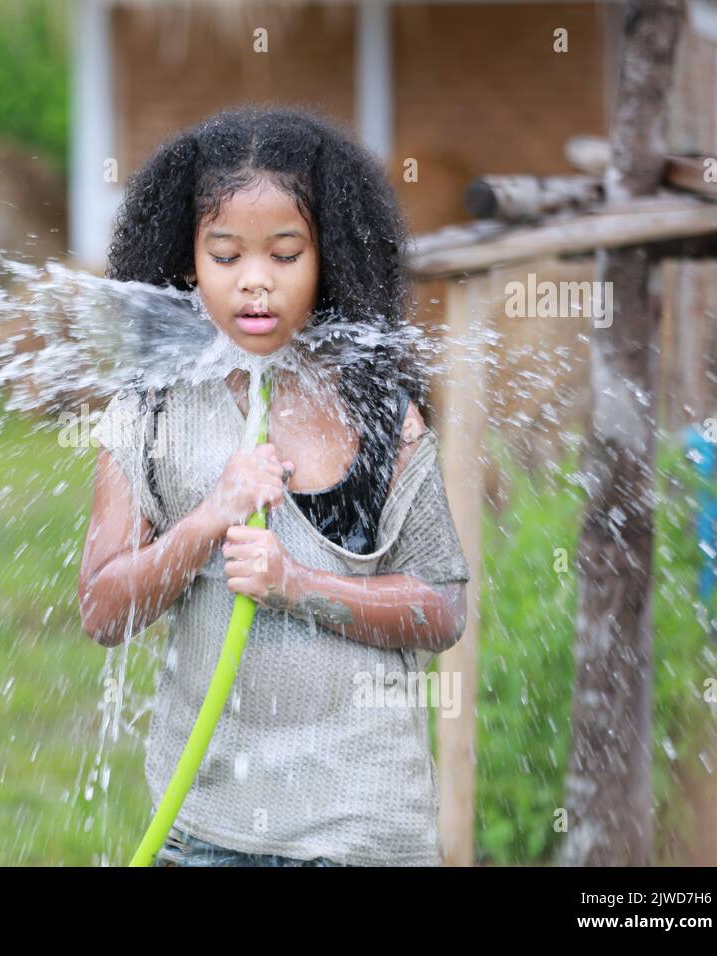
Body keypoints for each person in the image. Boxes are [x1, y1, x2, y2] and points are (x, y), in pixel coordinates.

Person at [77, 104, 471, 867]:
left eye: (286, 255)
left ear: (329, 259)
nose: (255, 283)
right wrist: (204, 524)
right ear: (188, 261)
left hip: (363, 823)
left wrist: (295, 584)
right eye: (226, 257)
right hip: (208, 828)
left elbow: (441, 609)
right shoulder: (151, 411)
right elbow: (101, 609)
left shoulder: (385, 412)